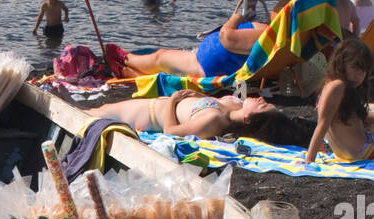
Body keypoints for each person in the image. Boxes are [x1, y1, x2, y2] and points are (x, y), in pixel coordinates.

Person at [122, 5, 269, 80]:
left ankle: (124, 59)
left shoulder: (268, 35)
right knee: (161, 60)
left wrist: (236, 17)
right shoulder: (273, 34)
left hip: (205, 66)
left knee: (160, 58)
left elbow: (227, 38)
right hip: (207, 60)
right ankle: (130, 69)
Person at [84, 88, 291, 139]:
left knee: (94, 113)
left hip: (148, 113)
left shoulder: (213, 121)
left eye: (263, 106)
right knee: (98, 111)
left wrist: (173, 100)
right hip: (154, 104)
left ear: (248, 119)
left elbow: (170, 130)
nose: (262, 99)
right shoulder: (236, 104)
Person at [306, 38, 374, 163]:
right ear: (342, 63)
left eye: (363, 71)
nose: (359, 75)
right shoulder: (337, 86)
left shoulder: (334, 85)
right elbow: (322, 125)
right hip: (363, 153)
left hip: (356, 152)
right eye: (355, 67)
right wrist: (309, 161)